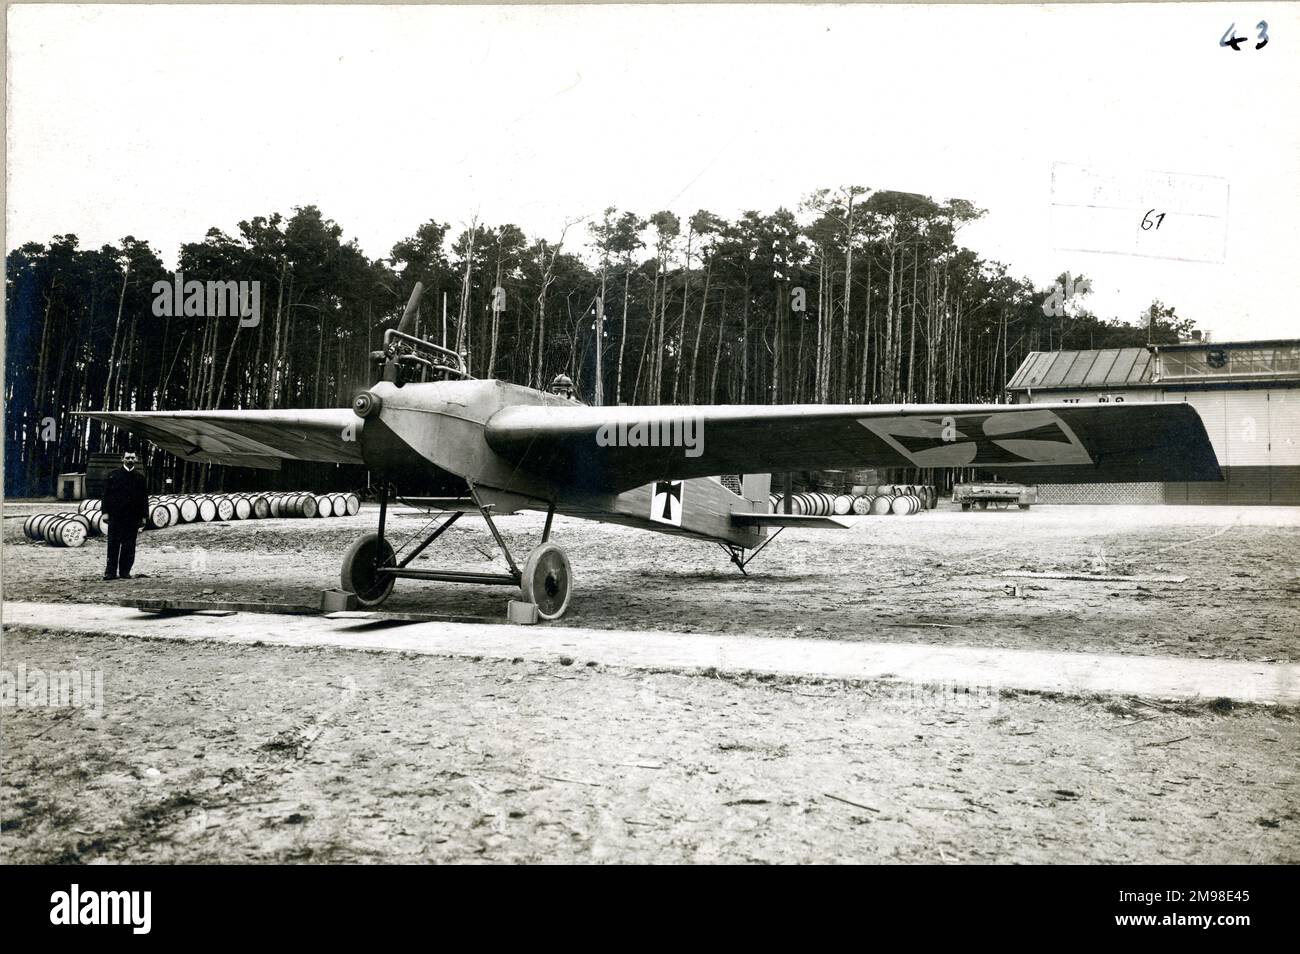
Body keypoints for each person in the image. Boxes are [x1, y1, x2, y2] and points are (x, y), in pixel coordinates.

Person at [101, 450, 149, 580]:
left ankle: (124, 572)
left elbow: (144, 499)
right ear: (122, 459)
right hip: (115, 517)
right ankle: (110, 572)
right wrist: (105, 513)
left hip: (132, 518)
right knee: (113, 545)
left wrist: (144, 517)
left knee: (129, 546)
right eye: (127, 458)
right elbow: (106, 496)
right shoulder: (113, 475)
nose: (130, 460)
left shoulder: (140, 478)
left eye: (133, 458)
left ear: (136, 459)